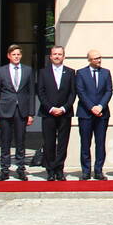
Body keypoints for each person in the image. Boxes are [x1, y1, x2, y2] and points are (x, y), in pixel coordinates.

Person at [0, 44, 35, 181]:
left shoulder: (28, 70)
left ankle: (21, 168)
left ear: (21, 56)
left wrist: (31, 113)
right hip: (5, 109)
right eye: (14, 54)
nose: (16, 57)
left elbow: (31, 92)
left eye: (18, 54)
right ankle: (4, 169)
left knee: (20, 141)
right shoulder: (1, 71)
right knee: (5, 141)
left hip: (21, 110)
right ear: (8, 56)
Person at [38, 46, 76, 181]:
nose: (57, 56)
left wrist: (64, 108)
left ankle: (59, 169)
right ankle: (50, 170)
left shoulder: (70, 72)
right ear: (50, 56)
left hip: (65, 113)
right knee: (49, 143)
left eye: (60, 54)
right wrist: (50, 108)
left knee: (63, 143)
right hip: (48, 113)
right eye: (55, 54)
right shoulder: (43, 72)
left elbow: (73, 93)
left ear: (64, 56)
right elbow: (40, 92)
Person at [73, 50, 112, 181]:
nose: (99, 60)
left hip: (102, 113)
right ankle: (86, 171)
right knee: (85, 143)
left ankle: (98, 170)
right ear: (89, 60)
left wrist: (100, 106)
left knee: (100, 143)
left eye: (100, 57)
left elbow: (108, 91)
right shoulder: (81, 73)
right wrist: (91, 107)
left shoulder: (106, 73)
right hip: (85, 113)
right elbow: (80, 92)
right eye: (95, 58)